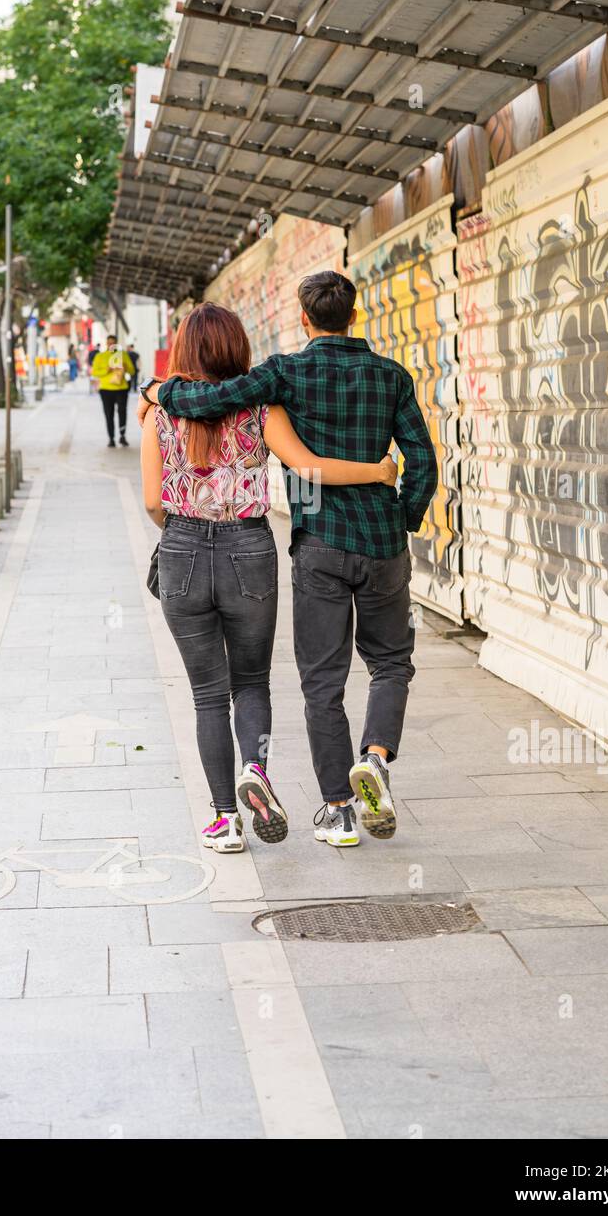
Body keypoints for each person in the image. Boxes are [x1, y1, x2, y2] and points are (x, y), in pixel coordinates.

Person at [140, 272, 437, 848]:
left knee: (273, 686)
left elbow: (160, 488)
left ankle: (293, 813)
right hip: (310, 546)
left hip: (258, 546)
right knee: (367, 667)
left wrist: (157, 394)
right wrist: (397, 501)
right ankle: (343, 761)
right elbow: (390, 458)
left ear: (304, 318)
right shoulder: (380, 379)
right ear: (355, 315)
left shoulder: (276, 377)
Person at [91, 334, 135, 446]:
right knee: (108, 414)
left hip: (121, 388)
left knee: (122, 412)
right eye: (109, 343)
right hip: (106, 389)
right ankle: (111, 439)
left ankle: (122, 436)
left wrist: (126, 367)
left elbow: (132, 371)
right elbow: (94, 372)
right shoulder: (100, 356)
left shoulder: (123, 355)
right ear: (106, 343)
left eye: (113, 343)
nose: (111, 345)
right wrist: (107, 370)